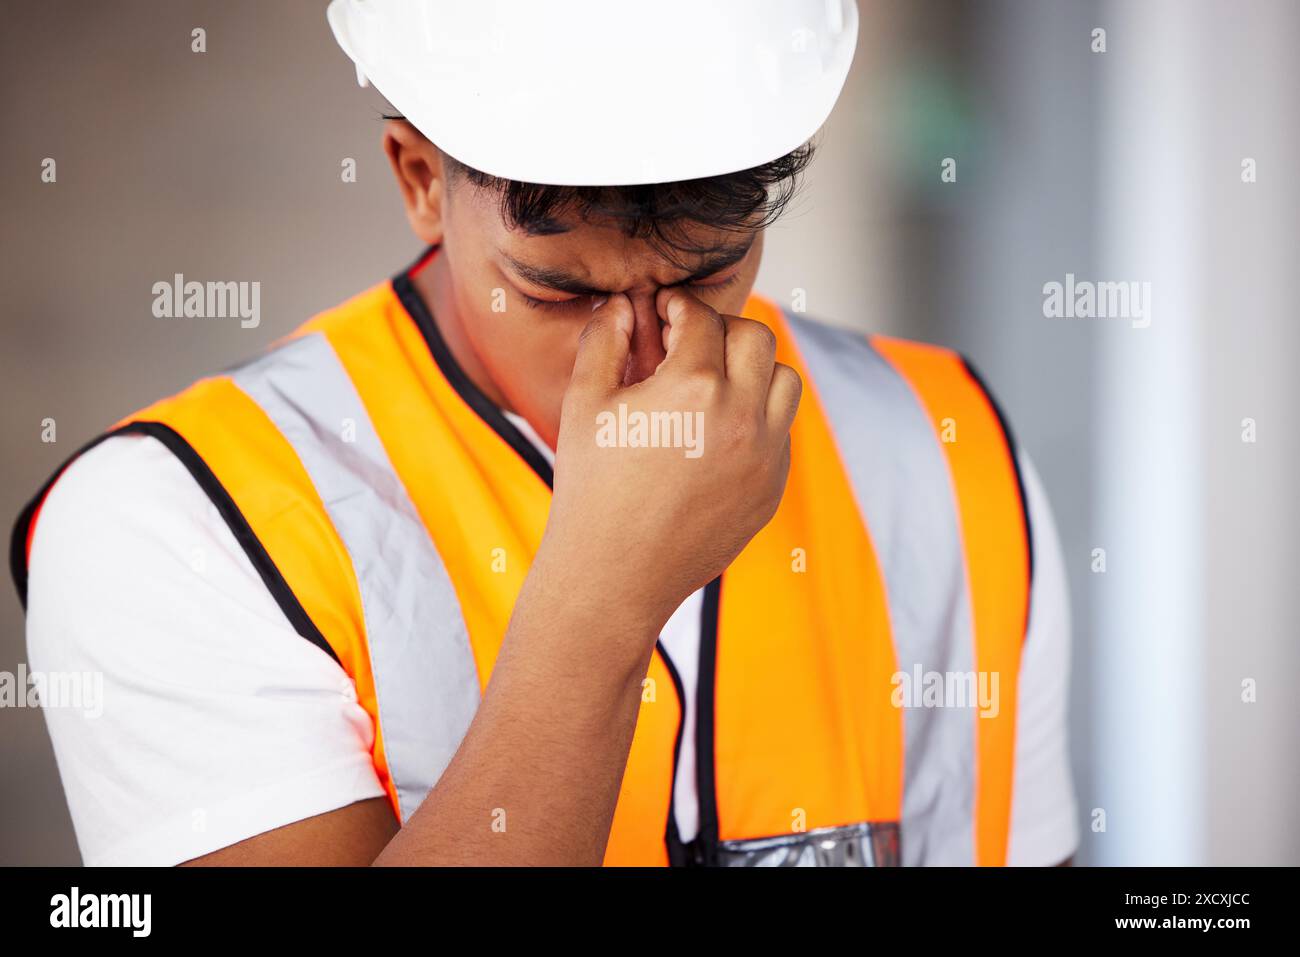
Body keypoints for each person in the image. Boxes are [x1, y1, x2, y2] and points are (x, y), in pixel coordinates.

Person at [11, 0, 1077, 866]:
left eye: (710, 273)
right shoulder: (174, 521)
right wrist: (600, 606)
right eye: (559, 291)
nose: (648, 348)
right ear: (420, 180)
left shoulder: (946, 446)